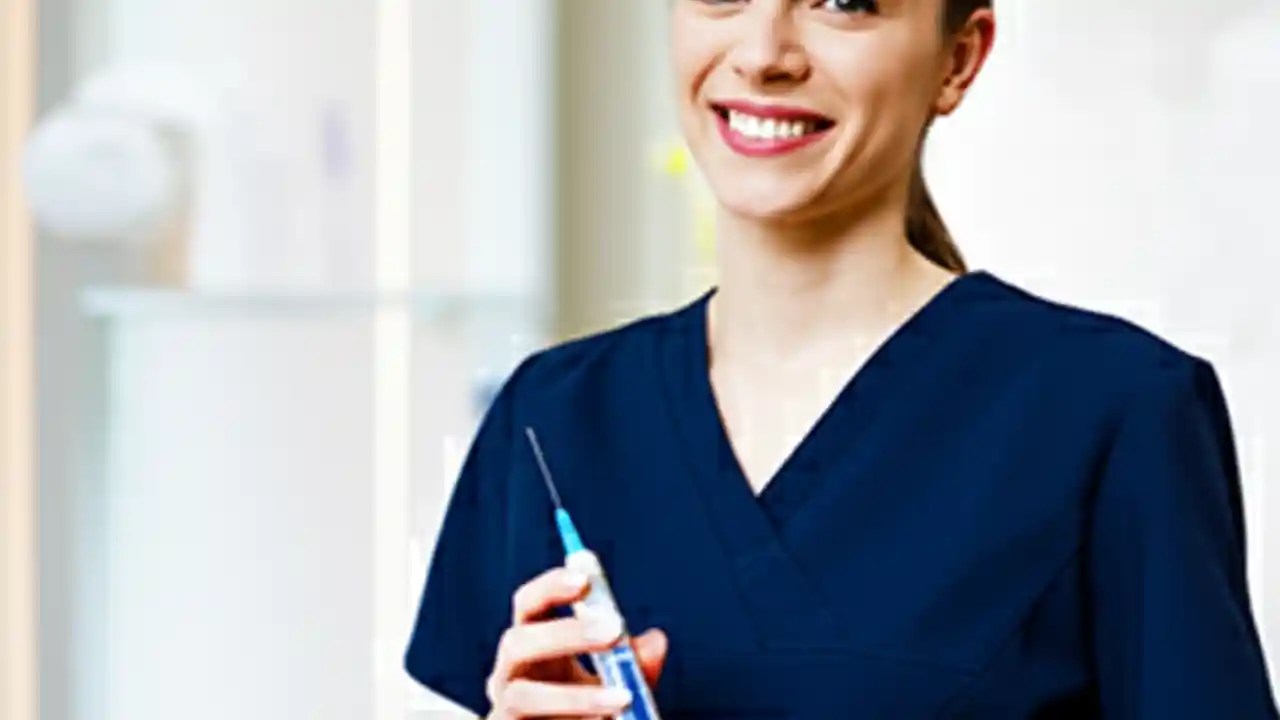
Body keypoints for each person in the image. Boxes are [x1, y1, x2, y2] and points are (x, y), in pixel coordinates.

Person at [404, 1, 1280, 717]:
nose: (763, 52)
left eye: (843, 3)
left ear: (958, 59)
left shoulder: (1114, 414)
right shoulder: (552, 420)